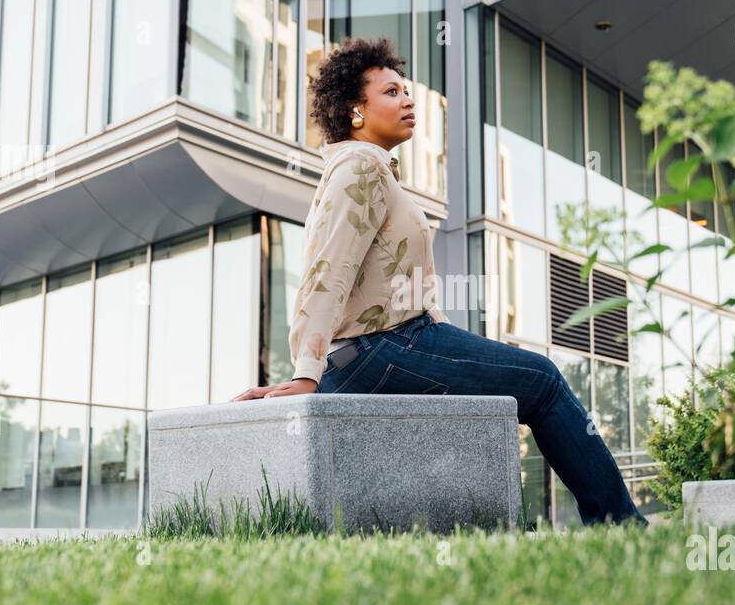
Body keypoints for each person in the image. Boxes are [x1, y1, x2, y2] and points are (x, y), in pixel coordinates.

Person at [233, 37, 647, 528]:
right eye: (390, 92)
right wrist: (306, 372)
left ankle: (487, 524)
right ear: (356, 110)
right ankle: (621, 527)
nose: (408, 100)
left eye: (407, 91)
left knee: (507, 393)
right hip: (379, 348)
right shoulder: (361, 167)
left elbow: (405, 288)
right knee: (543, 382)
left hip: (377, 350)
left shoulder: (373, 171)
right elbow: (329, 270)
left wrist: (446, 342)